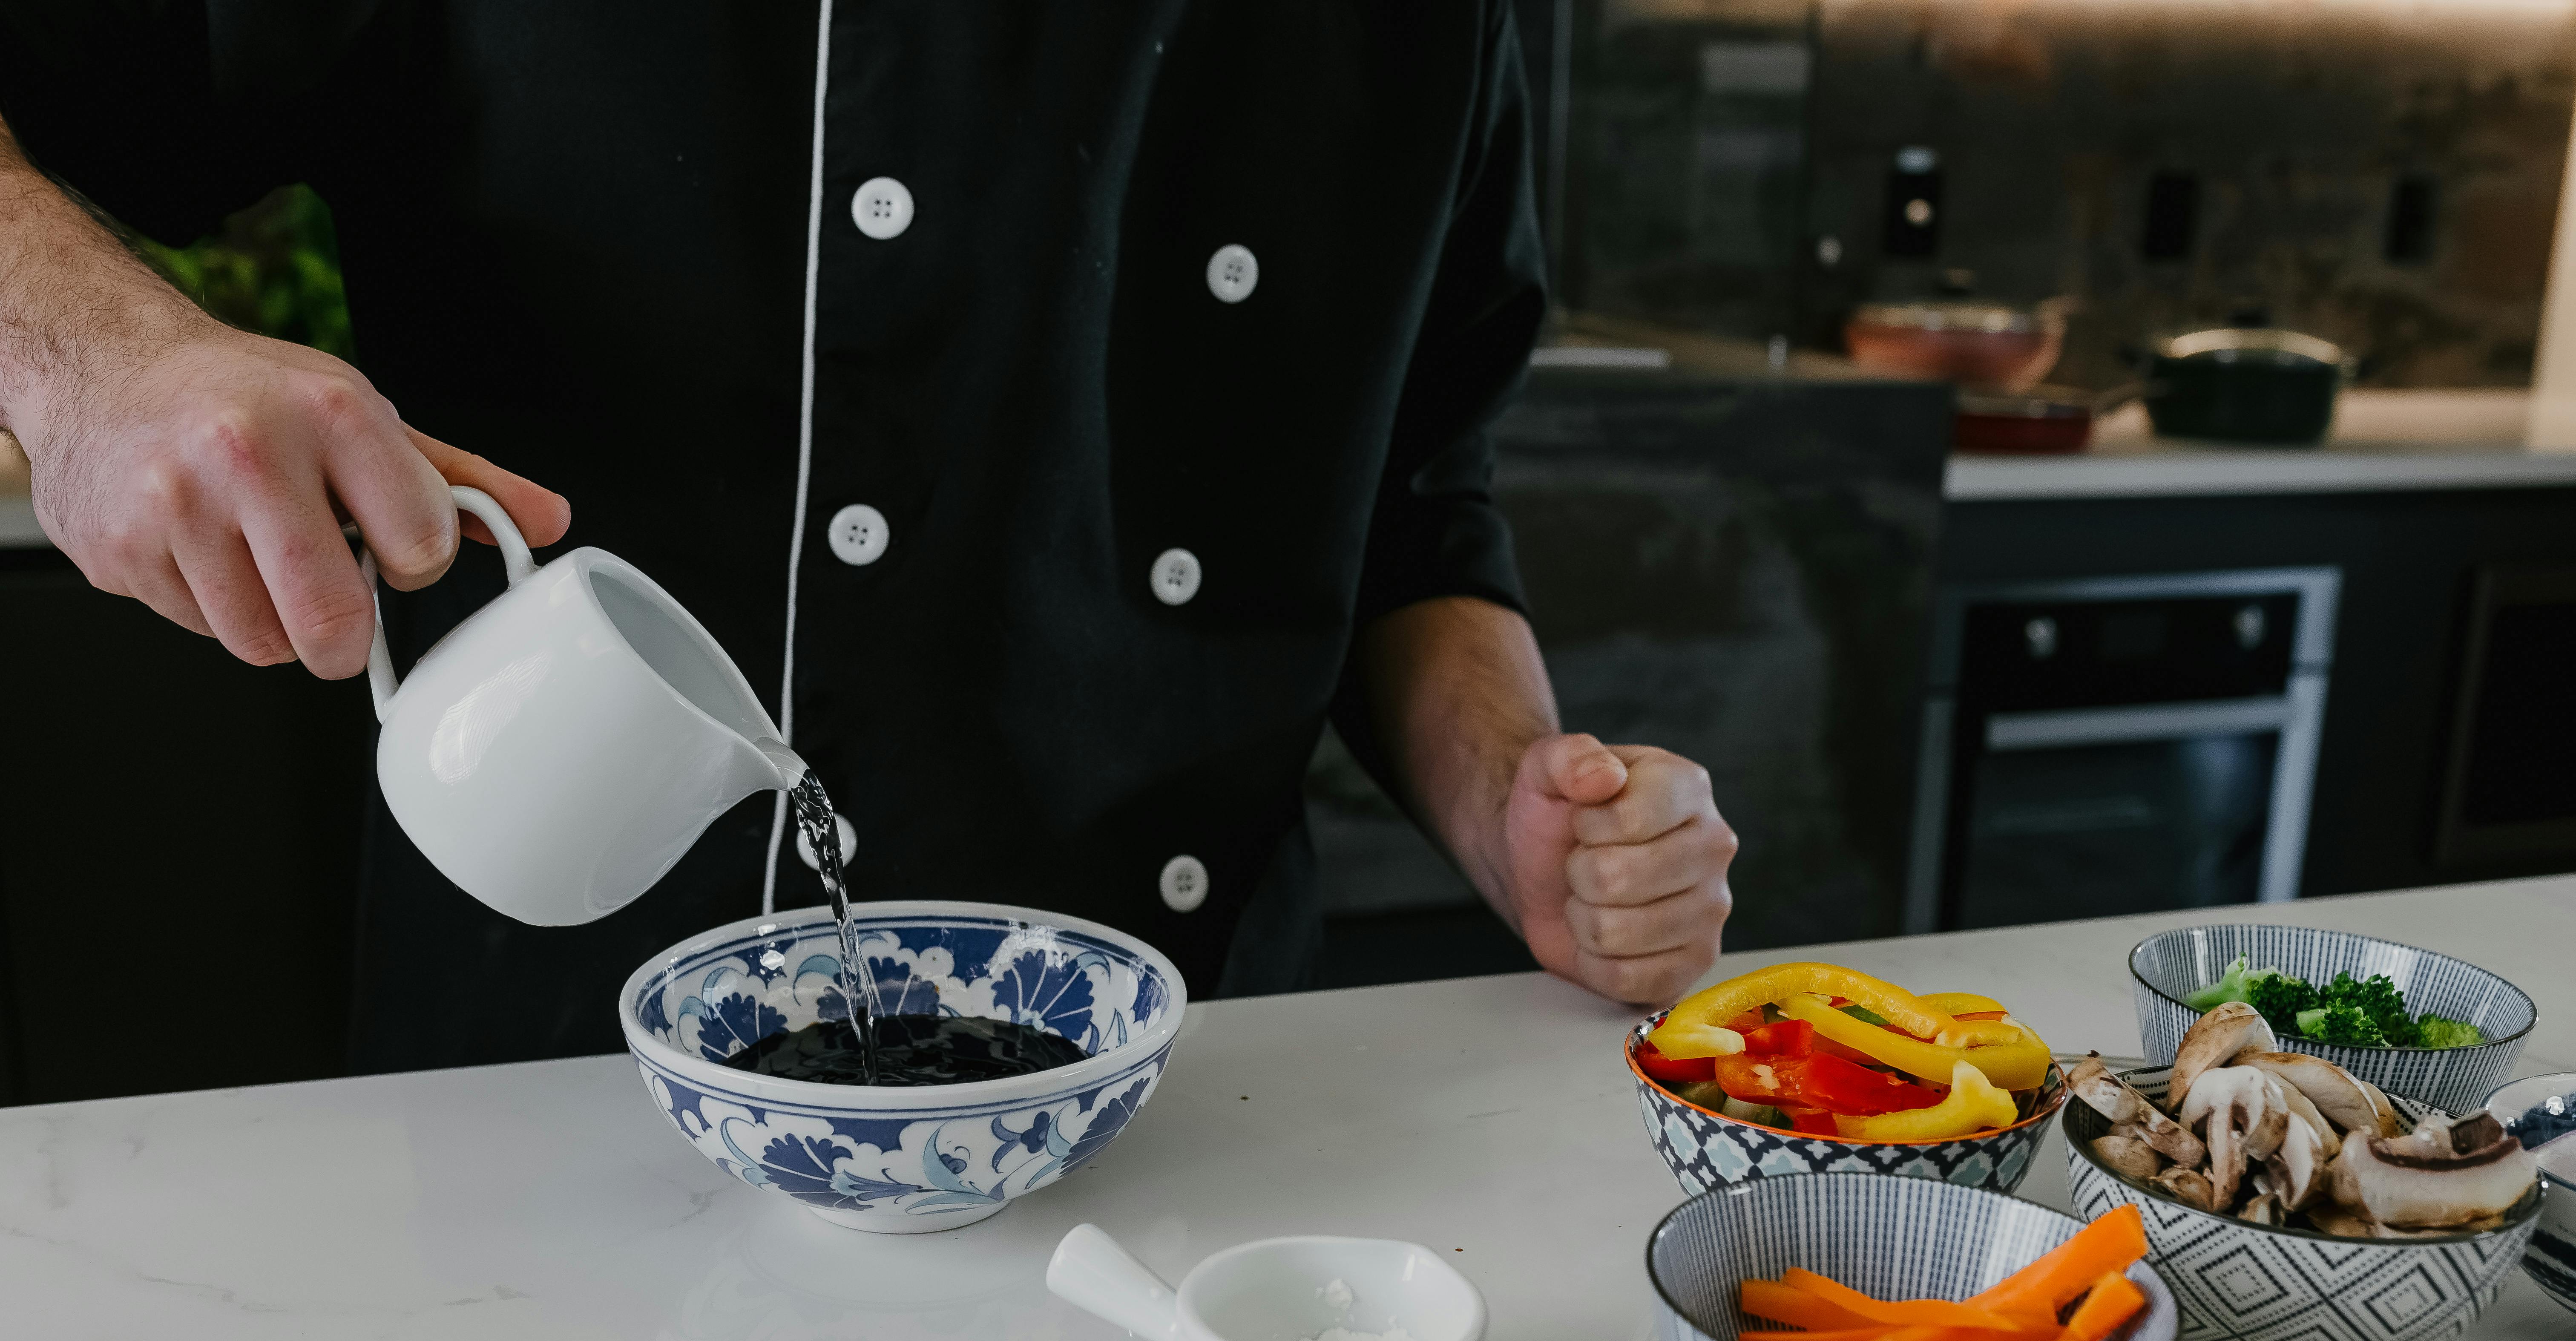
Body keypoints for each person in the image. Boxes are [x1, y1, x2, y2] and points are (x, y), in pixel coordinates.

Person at [0, 2, 1736, 1071]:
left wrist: (1524, 807)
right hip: (562, 1120)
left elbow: (1415, 500)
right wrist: (95, 368)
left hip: (1202, 1112)